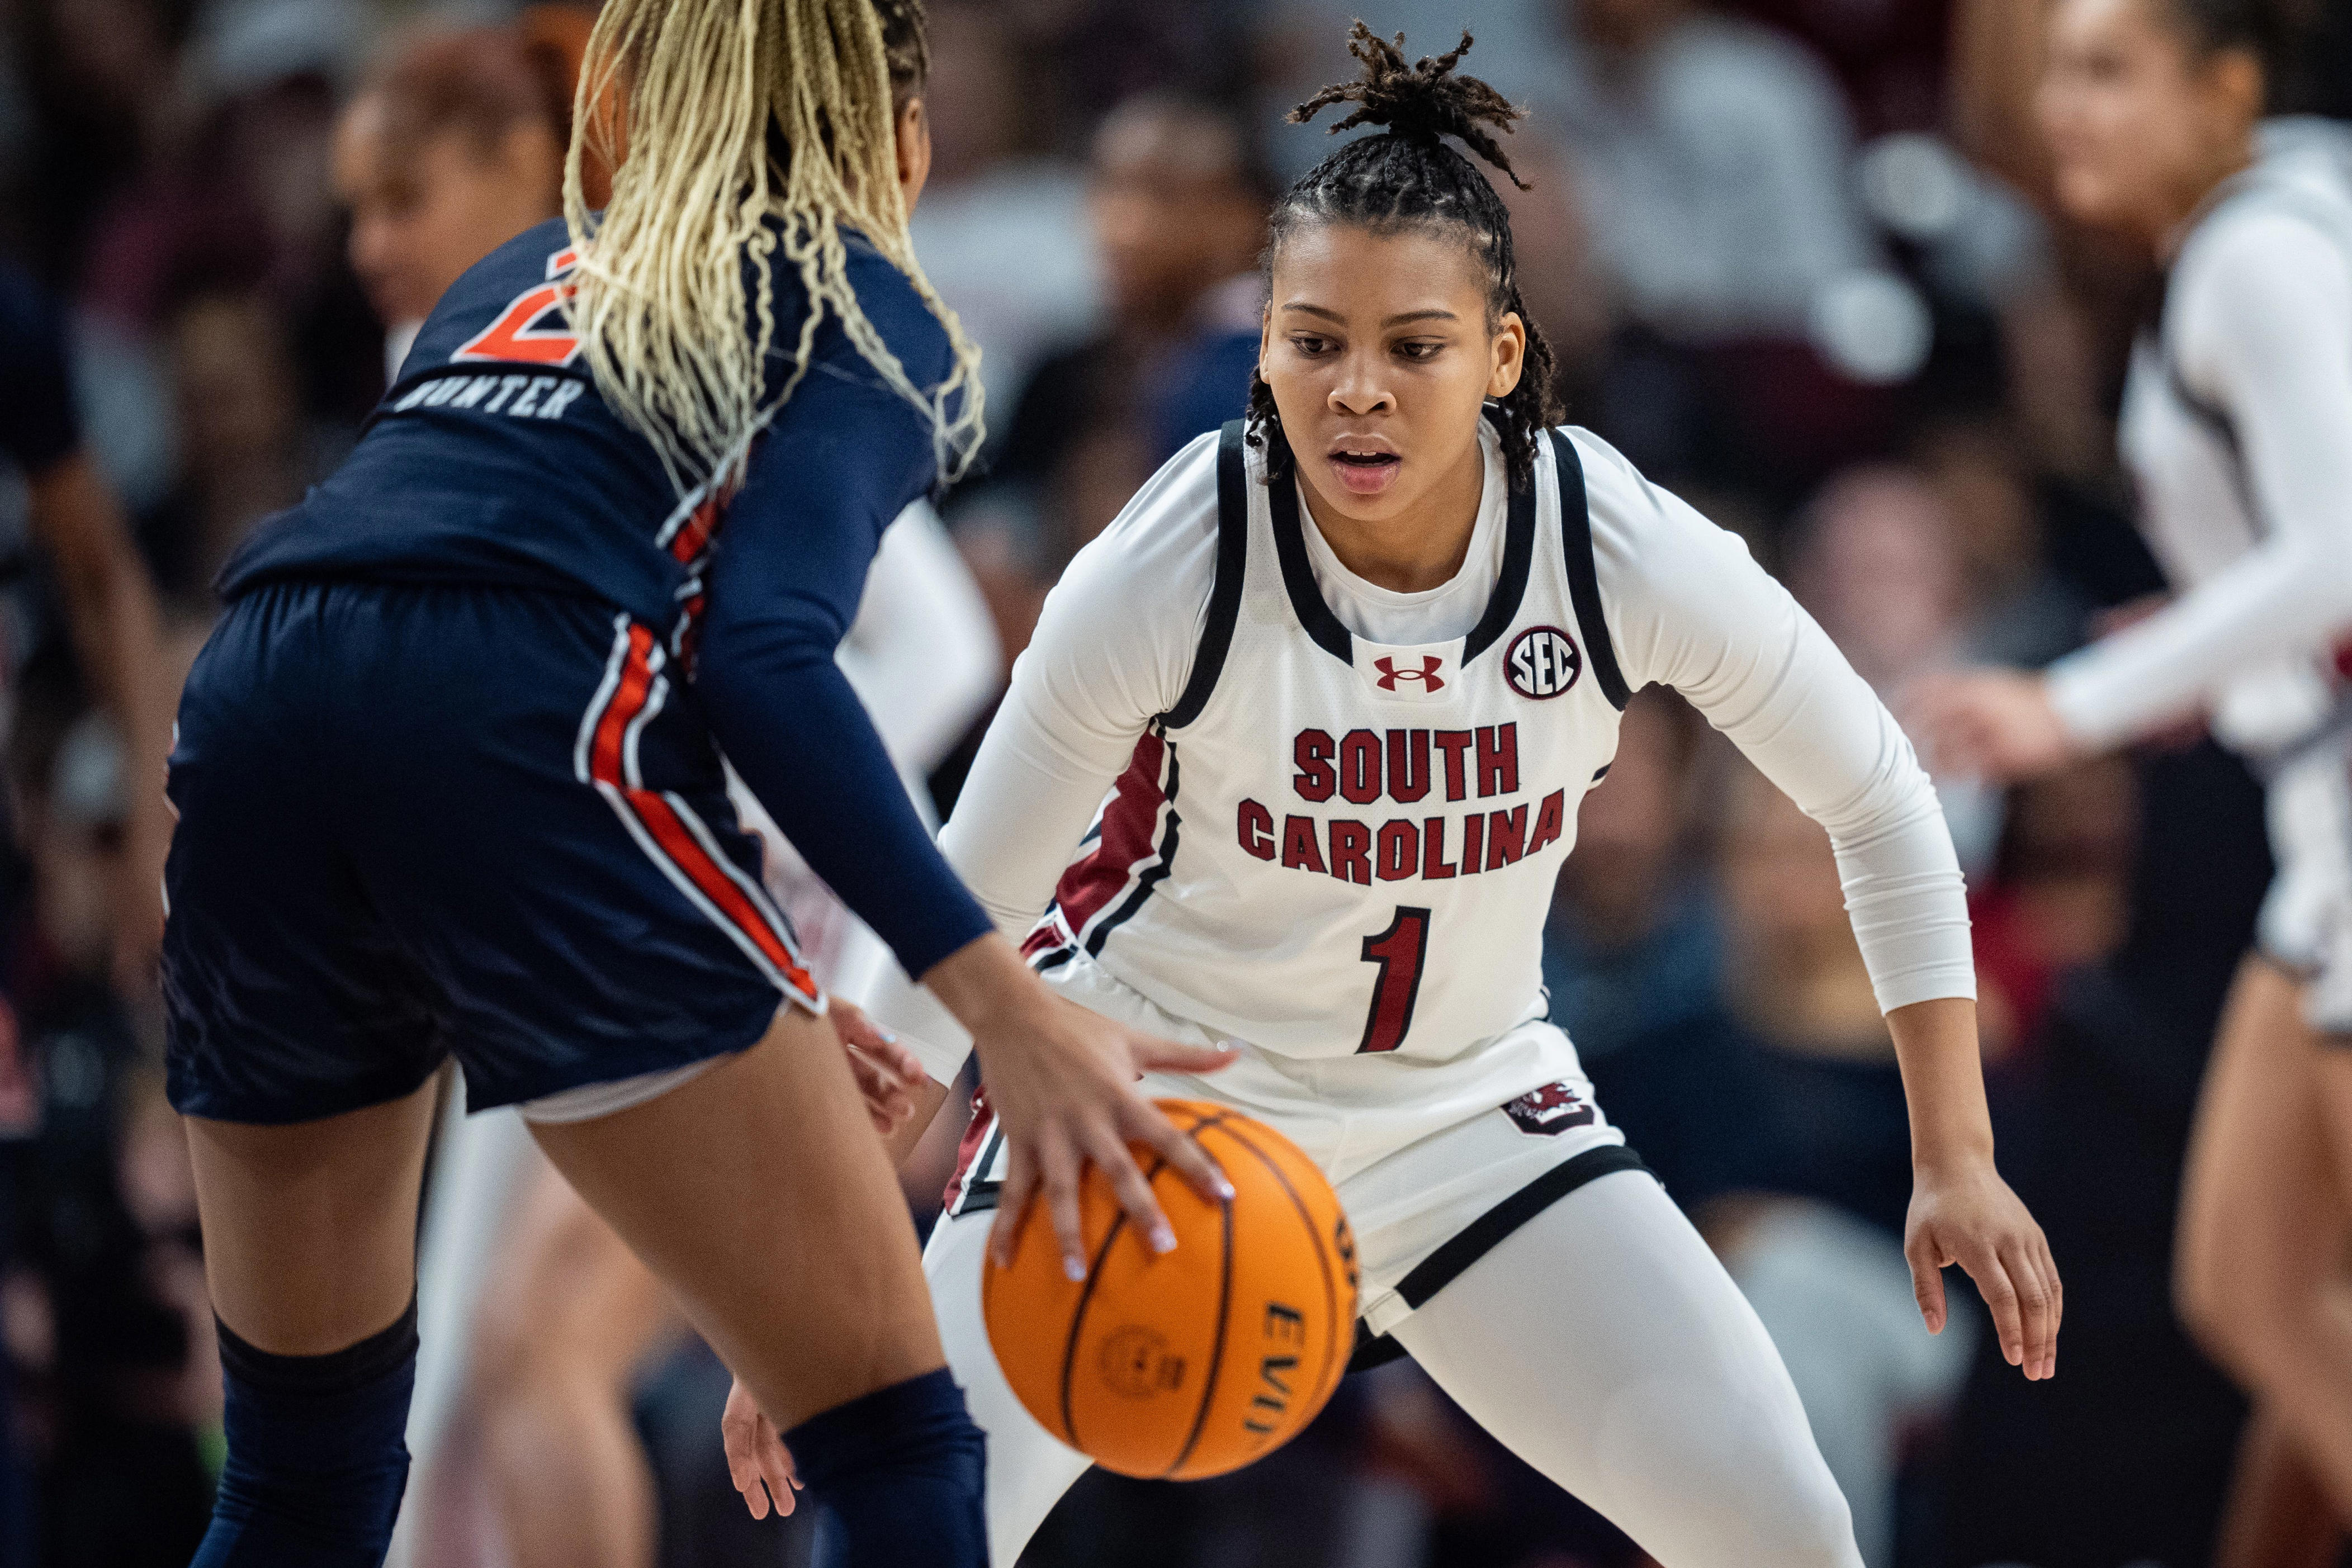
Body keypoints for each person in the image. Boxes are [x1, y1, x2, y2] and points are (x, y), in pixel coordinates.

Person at [727, 27, 2060, 1568]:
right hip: (1154, 1111)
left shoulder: (1606, 537)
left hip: (1471, 1115)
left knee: (1786, 1529)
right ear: (1265, 347)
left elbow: (1882, 797)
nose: (1356, 393)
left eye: (1413, 348)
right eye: (1314, 342)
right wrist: (810, 1297)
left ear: (1499, 356)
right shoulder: (1186, 549)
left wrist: (1952, 1153)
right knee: (900, 1533)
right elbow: (974, 893)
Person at [161, 2, 1237, 1564]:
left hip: (259, 687)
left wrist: (766, 969)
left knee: (300, 1487)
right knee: (900, 1458)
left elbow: (446, 612)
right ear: (903, 140)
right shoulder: (865, 301)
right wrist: (996, 1000)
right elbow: (763, 664)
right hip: (522, 722)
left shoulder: (506, 275)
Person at [1909, 0, 2352, 1552]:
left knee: (2287, 1303)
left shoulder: (2252, 254)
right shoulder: (2303, 190)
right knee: (2257, 1293)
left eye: (2107, 72)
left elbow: (2343, 546)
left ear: (2225, 87)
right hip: (2317, 846)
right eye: (2058, 72)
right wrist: (2224, 623)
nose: (2063, 108)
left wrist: (2077, 703)